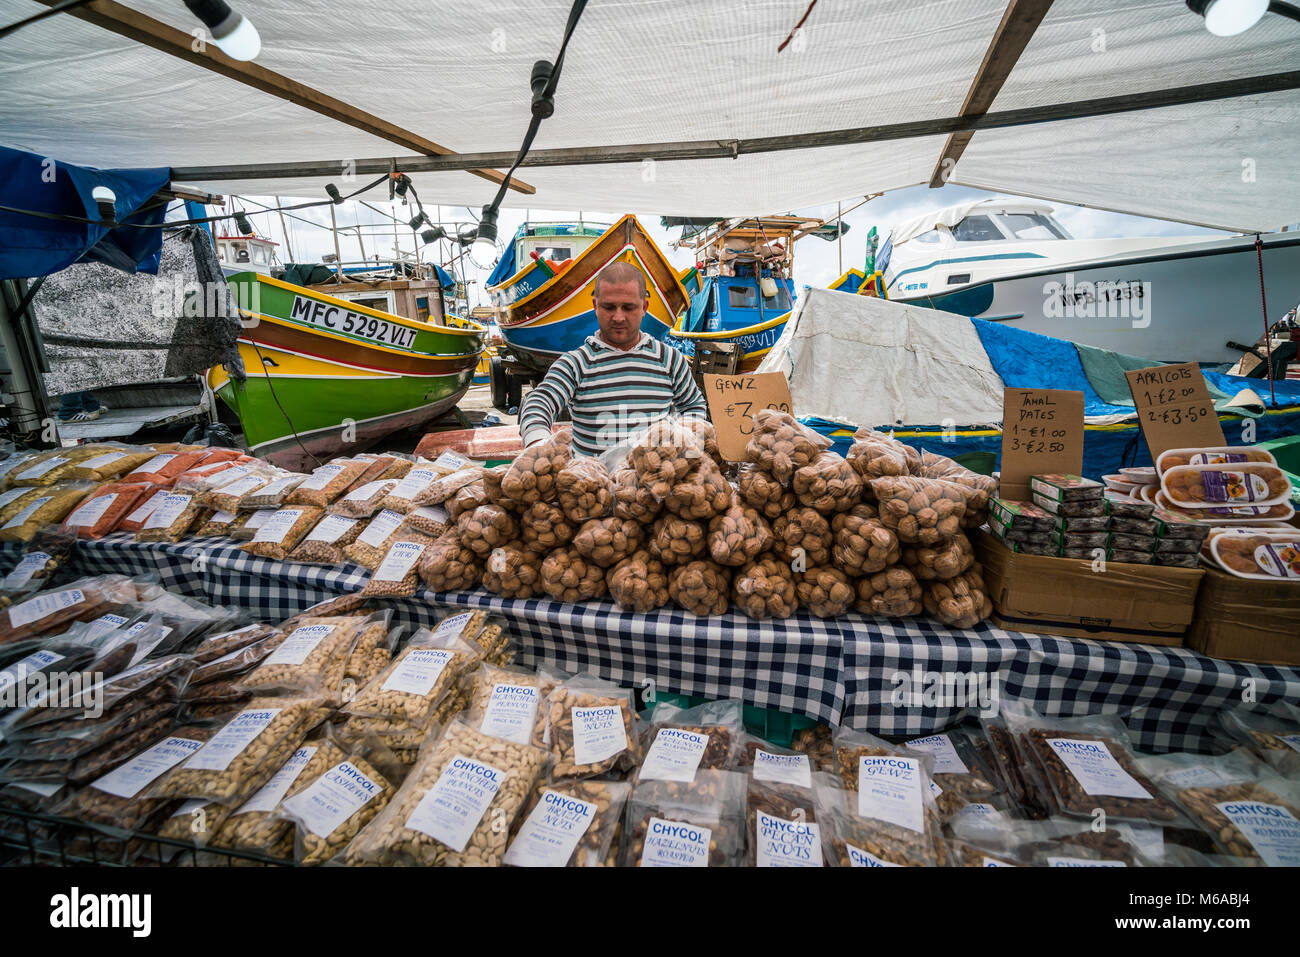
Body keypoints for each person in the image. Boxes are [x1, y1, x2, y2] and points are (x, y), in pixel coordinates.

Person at [518, 262, 707, 456]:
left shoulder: (669, 359)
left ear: (644, 308)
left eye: (628, 307)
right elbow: (540, 401)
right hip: (592, 483)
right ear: (595, 306)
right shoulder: (576, 364)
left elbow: (694, 406)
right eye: (609, 307)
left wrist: (687, 443)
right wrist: (538, 442)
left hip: (654, 480)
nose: (618, 317)